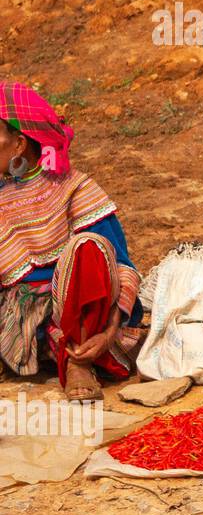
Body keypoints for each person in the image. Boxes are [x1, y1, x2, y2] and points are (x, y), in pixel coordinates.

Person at [0, 82, 143, 400]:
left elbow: (120, 268)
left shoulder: (75, 189)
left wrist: (107, 333)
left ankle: (78, 363)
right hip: (22, 318)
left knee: (88, 245)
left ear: (20, 144)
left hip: (82, 319)